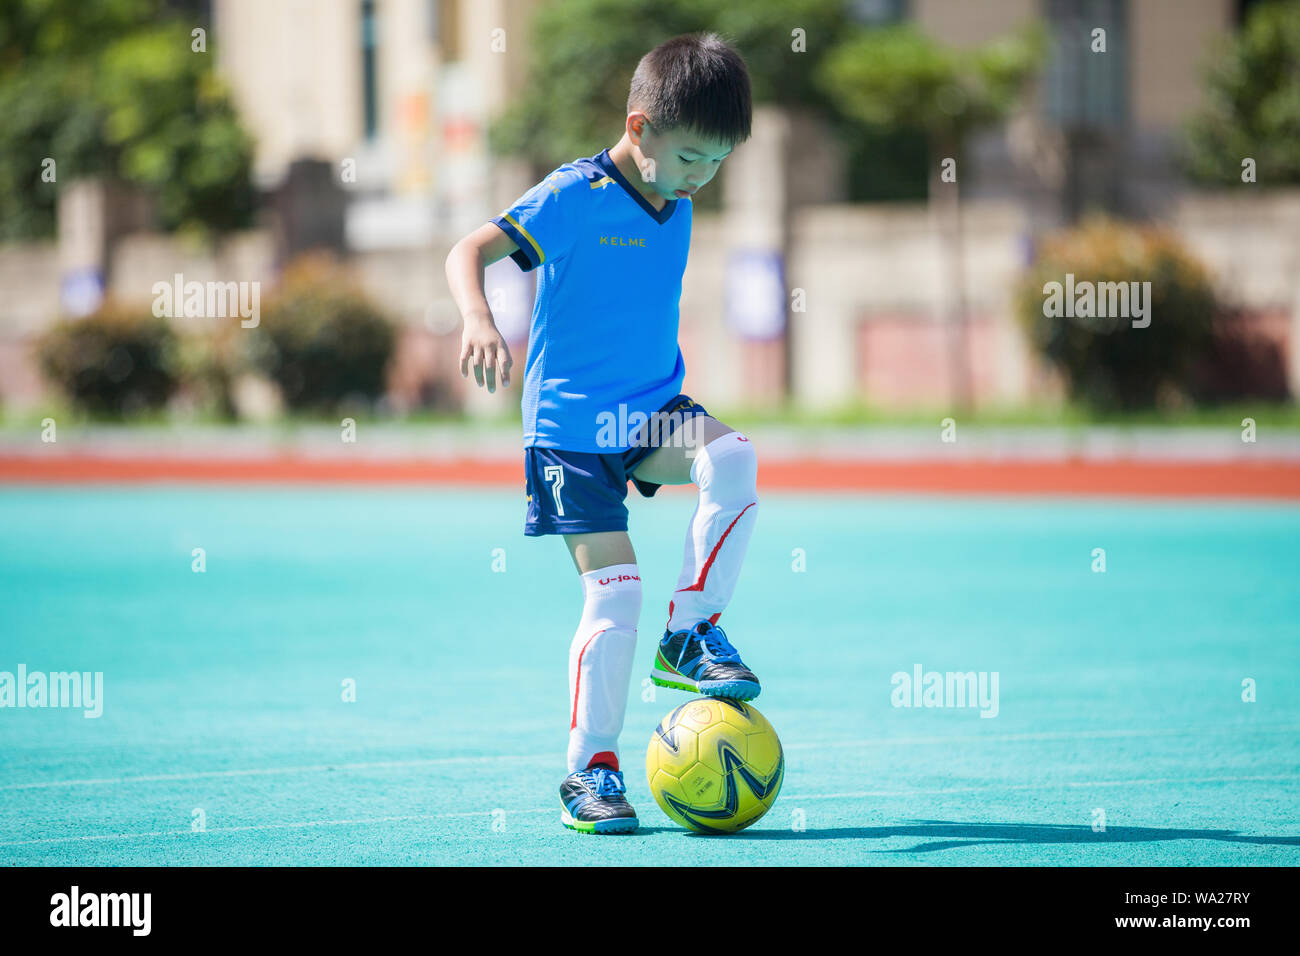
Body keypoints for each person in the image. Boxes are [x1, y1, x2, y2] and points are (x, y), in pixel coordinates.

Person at [444, 32, 760, 835]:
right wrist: (479, 318)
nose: (701, 179)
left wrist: (690, 176)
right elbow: (468, 249)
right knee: (614, 590)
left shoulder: (676, 199)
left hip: (650, 411)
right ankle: (590, 771)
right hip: (571, 431)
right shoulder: (575, 193)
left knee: (733, 457)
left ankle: (691, 633)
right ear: (640, 126)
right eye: (692, 158)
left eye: (717, 164)